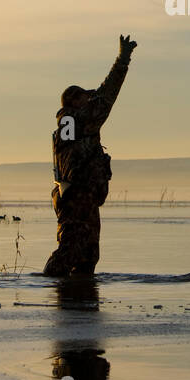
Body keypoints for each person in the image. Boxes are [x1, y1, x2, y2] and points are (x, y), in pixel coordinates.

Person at [43, 35, 136, 276]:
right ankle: (55, 290)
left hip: (82, 196)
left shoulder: (70, 122)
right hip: (77, 196)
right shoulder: (75, 120)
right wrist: (122, 61)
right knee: (71, 249)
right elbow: (107, 96)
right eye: (84, 96)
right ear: (74, 101)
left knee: (88, 253)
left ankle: (80, 297)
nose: (89, 99)